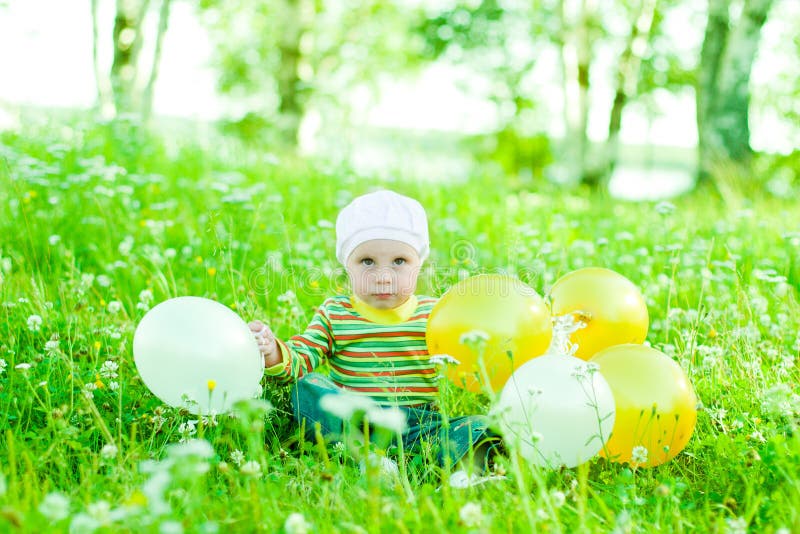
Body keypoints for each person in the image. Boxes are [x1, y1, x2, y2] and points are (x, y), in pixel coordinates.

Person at [248, 190, 502, 487]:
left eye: (399, 261)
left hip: (421, 426)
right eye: (367, 262)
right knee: (307, 388)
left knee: (480, 426)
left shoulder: (435, 314)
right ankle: (367, 459)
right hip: (357, 421)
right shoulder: (336, 313)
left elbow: (471, 360)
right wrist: (273, 352)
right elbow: (303, 357)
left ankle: (466, 473)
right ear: (347, 265)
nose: (383, 275)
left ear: (419, 264)